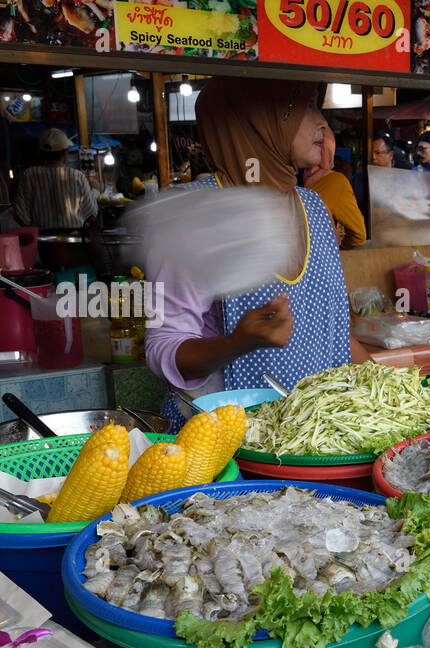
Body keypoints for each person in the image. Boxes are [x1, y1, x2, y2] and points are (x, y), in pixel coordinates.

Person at [145, 78, 370, 426]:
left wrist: (396, 386)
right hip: (220, 439)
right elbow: (164, 348)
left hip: (305, 434)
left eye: (317, 107)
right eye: (302, 109)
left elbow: (332, 335)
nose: (322, 123)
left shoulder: (315, 208)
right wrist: (236, 343)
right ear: (256, 121)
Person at [12, 127, 98, 231]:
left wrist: (34, 229)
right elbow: (91, 211)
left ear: (41, 152)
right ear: (64, 153)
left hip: (42, 239)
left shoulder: (30, 174)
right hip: (74, 238)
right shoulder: (77, 175)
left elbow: (20, 213)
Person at [303, 124, 366, 249]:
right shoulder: (336, 182)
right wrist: (336, 251)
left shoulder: (288, 177)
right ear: (330, 150)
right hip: (316, 262)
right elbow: (359, 235)